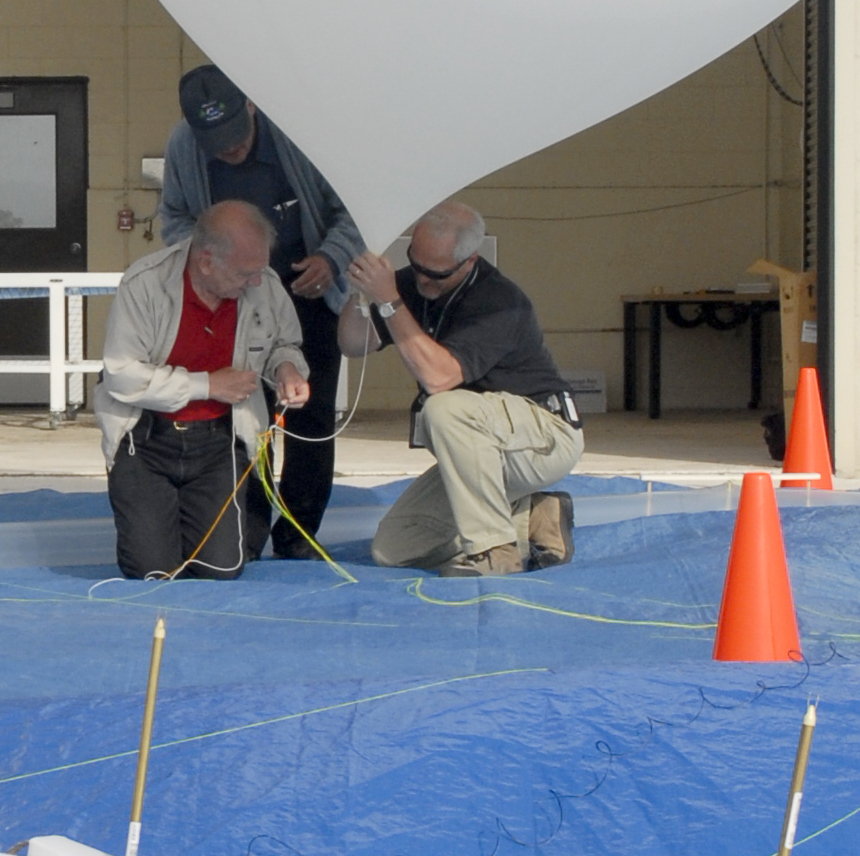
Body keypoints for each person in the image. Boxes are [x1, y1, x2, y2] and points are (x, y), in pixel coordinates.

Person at [158, 67, 363, 559]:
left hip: (309, 291)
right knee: (243, 411)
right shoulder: (184, 147)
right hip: (234, 299)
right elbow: (174, 220)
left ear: (251, 105)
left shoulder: (303, 134)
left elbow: (353, 209)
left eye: (235, 138)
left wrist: (330, 259)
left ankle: (299, 537)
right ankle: (246, 531)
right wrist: (216, 265)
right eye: (216, 144)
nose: (229, 151)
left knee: (308, 415)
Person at [342, 205, 584, 575]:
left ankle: (494, 552)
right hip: (482, 449)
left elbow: (438, 377)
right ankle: (531, 517)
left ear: (470, 260)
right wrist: (360, 294)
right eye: (415, 265)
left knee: (444, 407)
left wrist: (390, 303)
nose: (422, 281)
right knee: (394, 548)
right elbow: (353, 344)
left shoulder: (499, 302)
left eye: (436, 274)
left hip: (542, 438)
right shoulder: (412, 282)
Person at [98, 202, 310, 582]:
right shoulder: (144, 283)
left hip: (219, 443)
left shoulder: (264, 284)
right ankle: (153, 524)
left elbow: (284, 343)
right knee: (152, 571)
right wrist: (207, 385)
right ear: (207, 261)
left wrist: (287, 368)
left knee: (223, 569)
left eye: (260, 269)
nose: (257, 282)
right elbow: (121, 374)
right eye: (246, 273)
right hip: (146, 440)